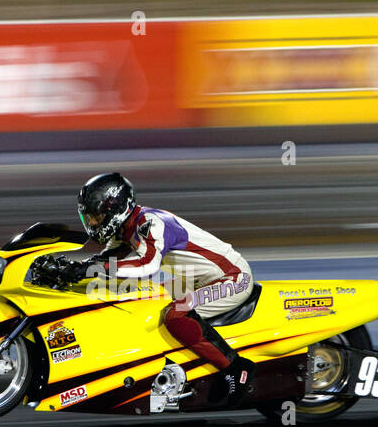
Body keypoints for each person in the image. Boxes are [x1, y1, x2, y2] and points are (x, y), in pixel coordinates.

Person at [59, 172, 256, 406]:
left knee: (176, 314)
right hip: (197, 279)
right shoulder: (125, 228)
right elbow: (104, 260)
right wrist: (71, 268)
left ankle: (235, 368)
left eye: (96, 216)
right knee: (144, 299)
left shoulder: (151, 223)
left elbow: (146, 265)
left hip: (232, 277)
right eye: (88, 217)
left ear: (115, 209)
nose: (92, 223)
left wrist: (93, 268)